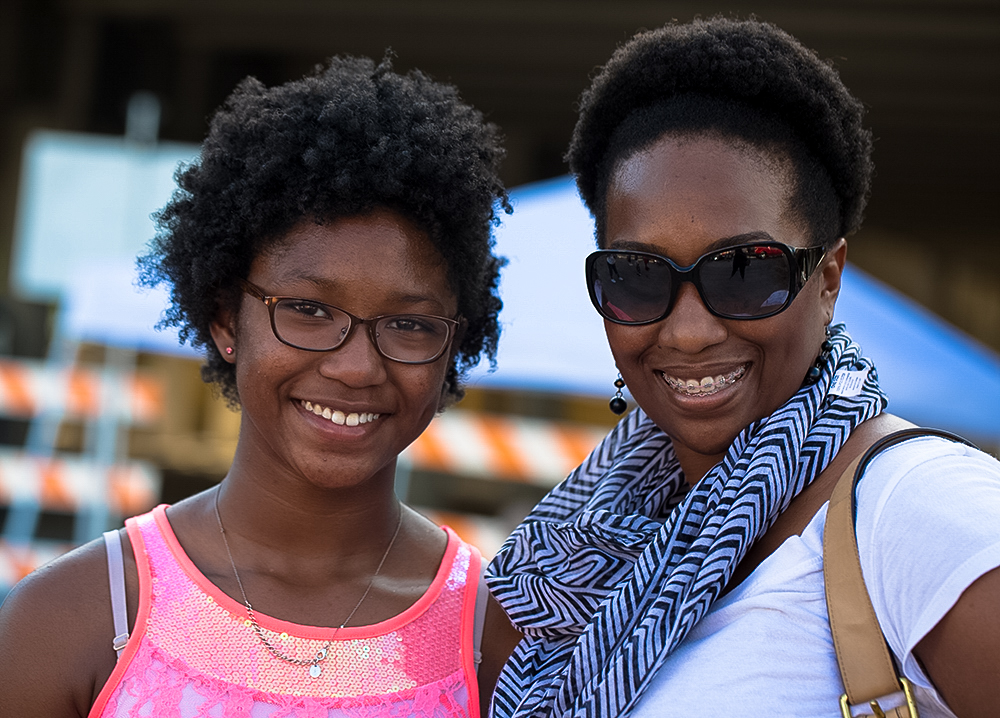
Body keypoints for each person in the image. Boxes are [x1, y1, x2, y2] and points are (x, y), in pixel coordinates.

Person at [483, 17, 1000, 718]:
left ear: (828, 279)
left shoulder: (920, 511)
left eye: (745, 272)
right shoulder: (573, 551)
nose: (690, 331)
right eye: (638, 274)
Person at [0, 55, 509, 717]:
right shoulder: (77, 620)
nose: (357, 366)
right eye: (308, 311)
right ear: (224, 320)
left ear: (454, 345)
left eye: (408, 324)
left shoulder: (491, 639)